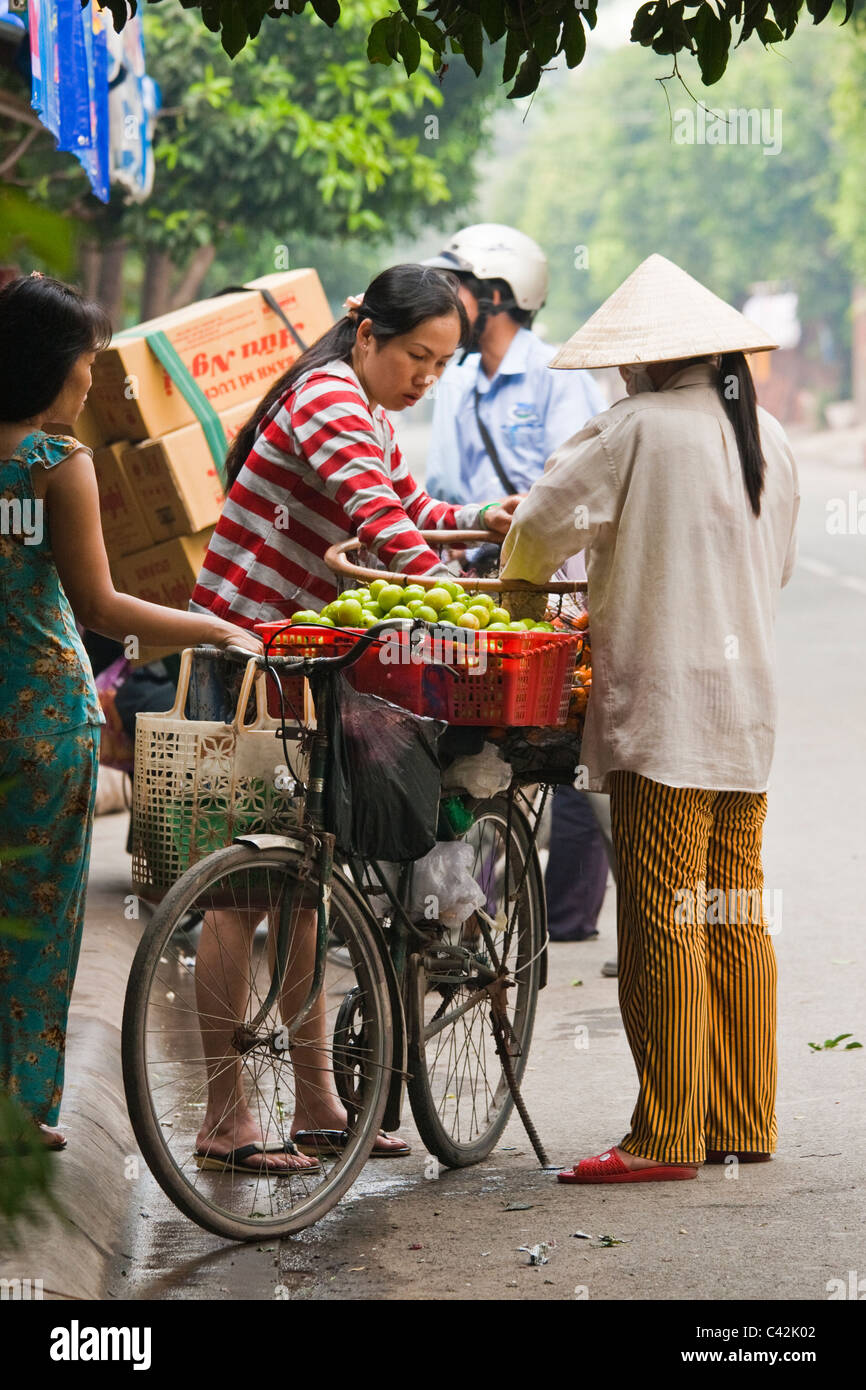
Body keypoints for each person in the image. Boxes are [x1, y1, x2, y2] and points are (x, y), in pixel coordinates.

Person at [188, 263, 519, 1171]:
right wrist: (463, 605)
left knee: (302, 897)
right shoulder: (332, 398)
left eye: (443, 365)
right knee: (242, 901)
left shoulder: (365, 409)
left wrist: (489, 515)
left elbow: (414, 509)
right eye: (418, 355)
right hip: (247, 660)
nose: (427, 378)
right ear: (367, 334)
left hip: (302, 665)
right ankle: (225, 1121)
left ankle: (318, 1102)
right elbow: (383, 527)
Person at [499, 253, 799, 1183]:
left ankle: (664, 1133)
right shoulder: (769, 436)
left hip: (663, 712)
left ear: (647, 363)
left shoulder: (633, 428)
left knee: (665, 918)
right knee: (731, 909)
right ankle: (744, 1115)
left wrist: (516, 612)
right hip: (742, 714)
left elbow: (540, 526)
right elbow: (768, 569)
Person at [0, 273, 261, 1153]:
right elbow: (105, 608)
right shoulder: (50, 466)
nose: (91, 385)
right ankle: (20, 1110)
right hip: (37, 723)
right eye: (86, 365)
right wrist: (214, 625)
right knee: (36, 915)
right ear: (45, 367)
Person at [423, 223, 612, 944]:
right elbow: (443, 484)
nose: (445, 300)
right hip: (481, 589)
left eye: (459, 287)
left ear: (497, 296)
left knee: (569, 747)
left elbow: (577, 488)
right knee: (480, 742)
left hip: (559, 589)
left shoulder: (558, 376)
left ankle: (568, 919)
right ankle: (470, 913)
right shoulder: (457, 377)